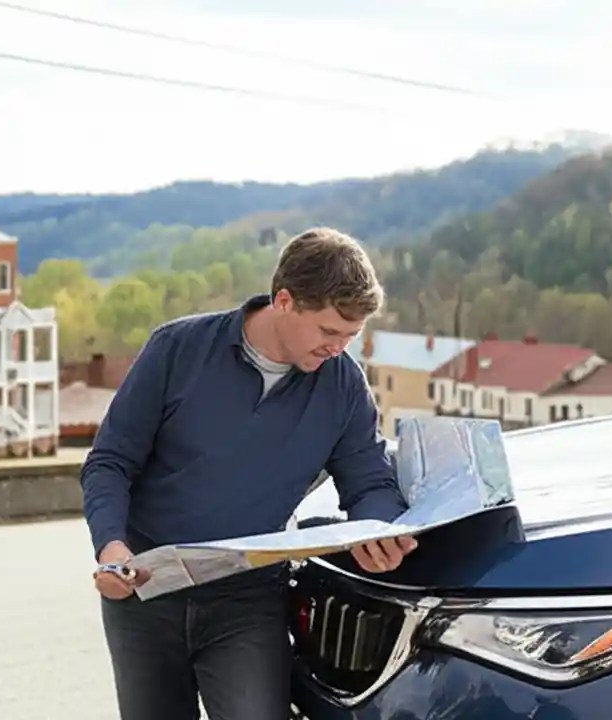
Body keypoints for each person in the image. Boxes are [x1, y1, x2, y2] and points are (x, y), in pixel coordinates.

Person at [79, 227, 418, 720]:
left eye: (351, 336)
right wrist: (111, 548)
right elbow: (110, 461)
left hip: (248, 602)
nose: (339, 349)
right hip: (145, 593)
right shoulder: (177, 349)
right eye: (328, 332)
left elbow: (371, 481)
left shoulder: (343, 384)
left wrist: (378, 531)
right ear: (284, 300)